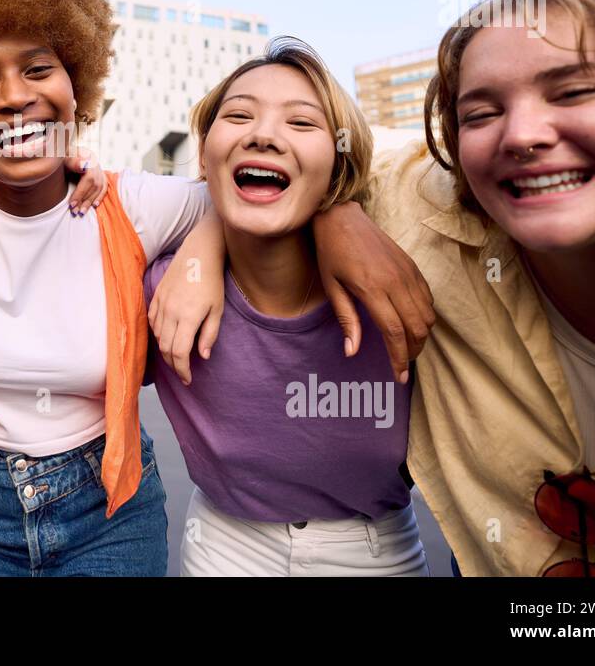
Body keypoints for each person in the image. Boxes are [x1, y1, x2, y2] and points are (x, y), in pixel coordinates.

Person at [0, 0, 432, 575]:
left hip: (111, 506)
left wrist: (336, 214)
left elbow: (249, 192)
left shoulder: (139, 208)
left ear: (76, 88)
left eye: (38, 68)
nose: (13, 96)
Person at [152, 0, 595, 575]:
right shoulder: (437, 219)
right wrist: (212, 232)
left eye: (576, 91)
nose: (522, 134)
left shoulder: (404, 228)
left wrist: (338, 211)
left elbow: (352, 159)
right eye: (481, 113)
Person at [145, 39, 426, 576]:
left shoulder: (397, 281)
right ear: (205, 152)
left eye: (302, 124)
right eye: (239, 115)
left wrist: (339, 211)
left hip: (377, 550)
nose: (263, 134)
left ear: (340, 162)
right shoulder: (164, 288)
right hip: (224, 547)